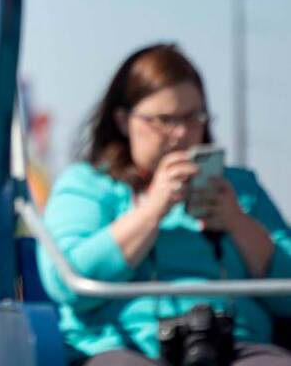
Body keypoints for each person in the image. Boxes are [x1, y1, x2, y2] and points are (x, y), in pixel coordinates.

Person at [38, 44, 291, 365]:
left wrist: (238, 224)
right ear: (122, 120)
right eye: (164, 120)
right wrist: (151, 210)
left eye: (193, 118)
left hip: (236, 346)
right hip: (126, 348)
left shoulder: (239, 189)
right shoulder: (88, 186)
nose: (182, 133)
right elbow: (68, 282)